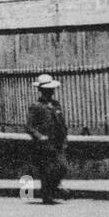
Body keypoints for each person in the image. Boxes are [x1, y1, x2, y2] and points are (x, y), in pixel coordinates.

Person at [26, 75, 69, 205]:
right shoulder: (36, 106)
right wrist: (39, 136)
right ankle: (47, 195)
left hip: (57, 142)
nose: (50, 92)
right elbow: (29, 126)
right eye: (47, 90)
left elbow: (62, 123)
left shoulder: (56, 105)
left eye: (51, 89)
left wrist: (65, 138)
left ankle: (51, 191)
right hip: (44, 145)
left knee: (62, 167)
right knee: (47, 170)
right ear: (41, 90)